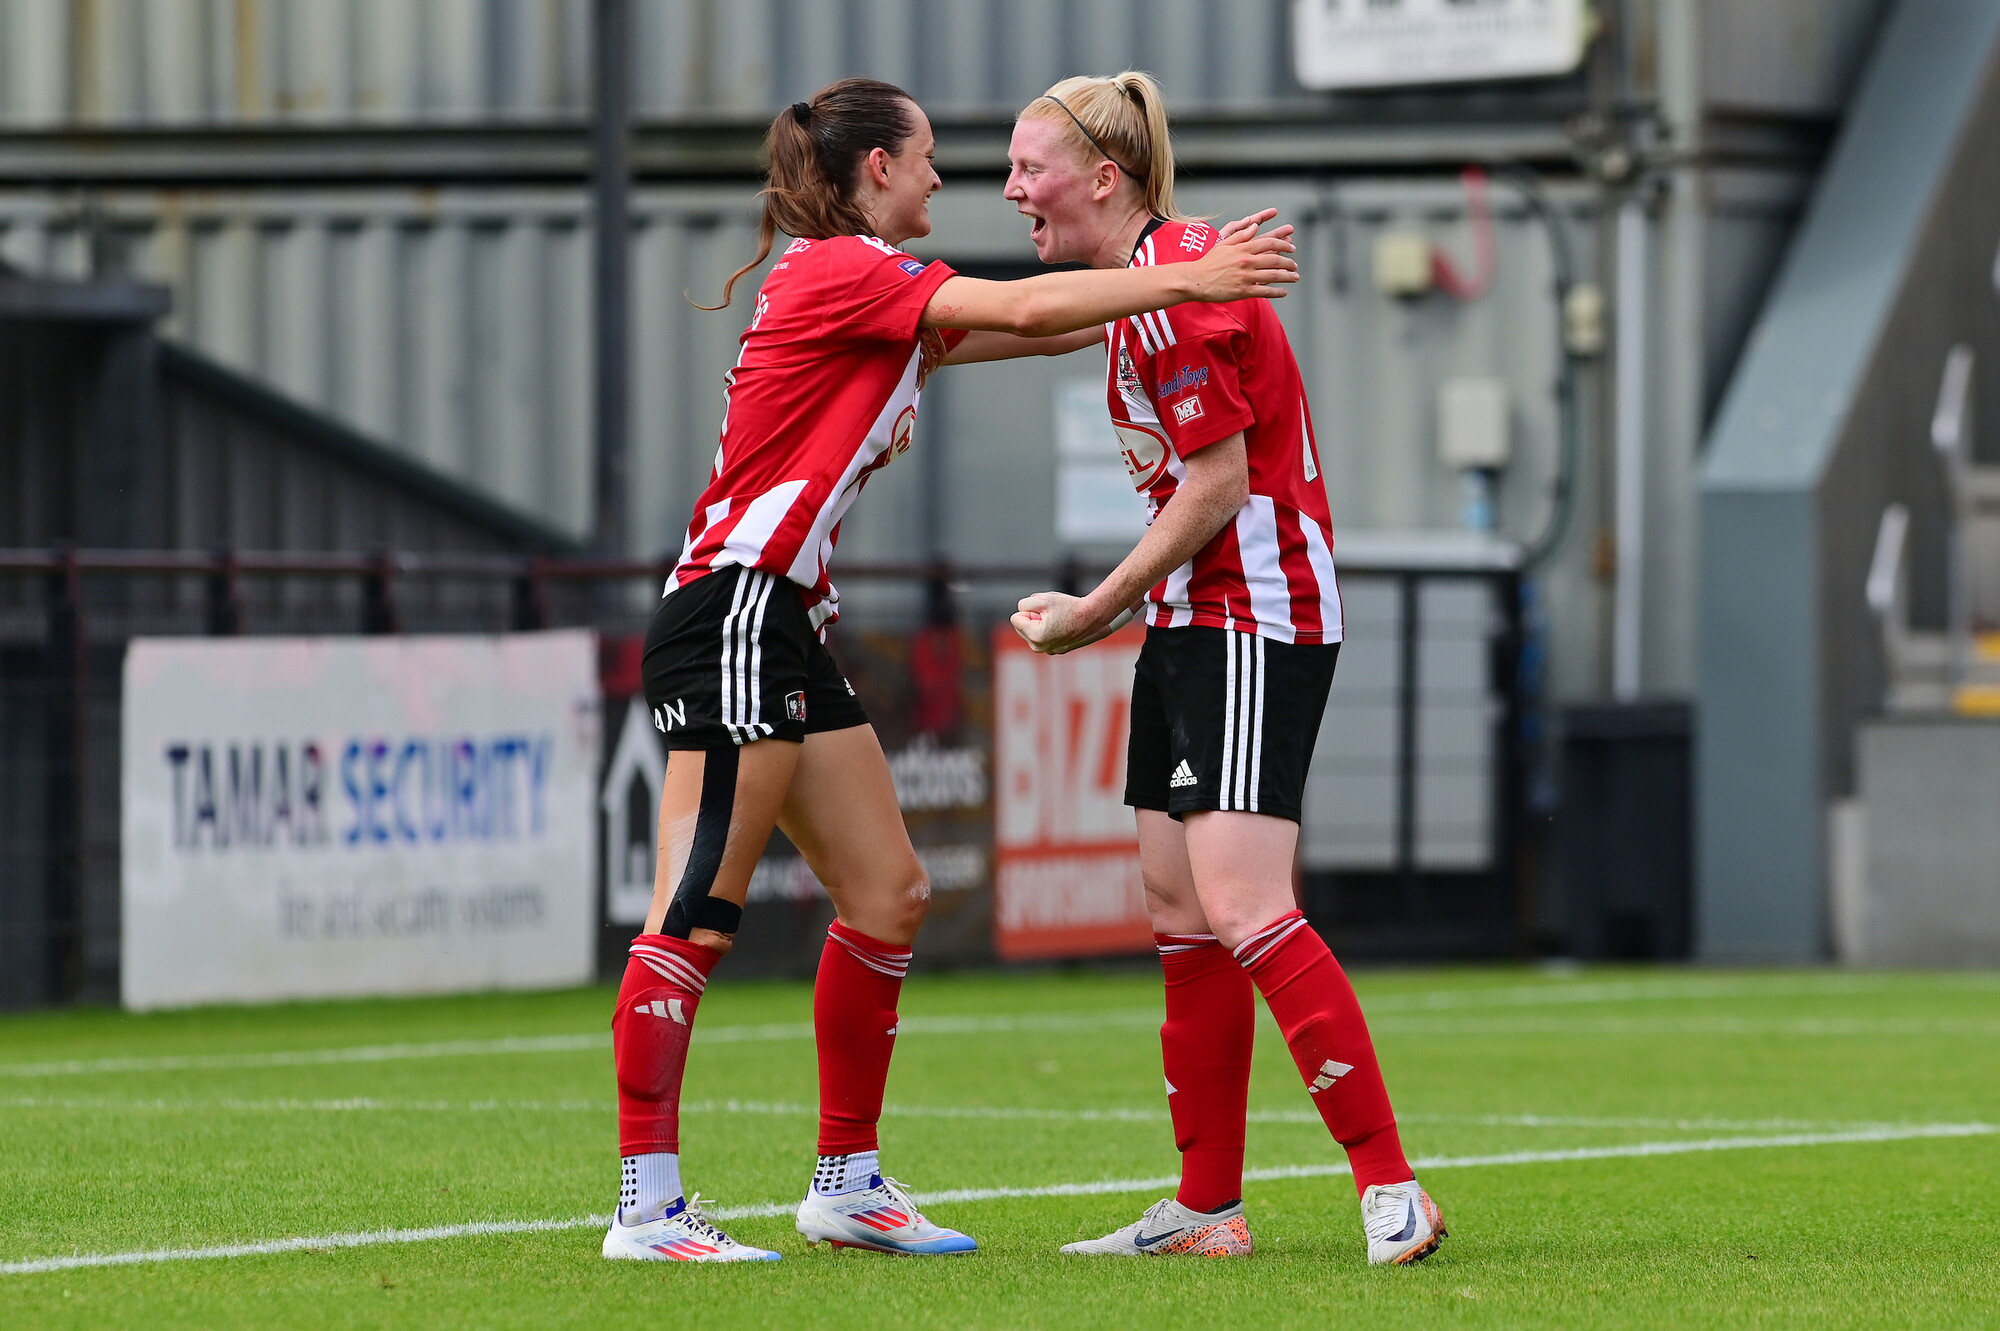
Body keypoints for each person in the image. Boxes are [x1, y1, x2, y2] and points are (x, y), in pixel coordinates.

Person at [603, 75, 1301, 1264]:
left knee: (890, 894)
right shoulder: (843, 268)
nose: (947, 178)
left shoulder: (877, 289)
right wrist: (1191, 275)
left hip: (782, 619)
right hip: (729, 607)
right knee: (694, 908)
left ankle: (845, 1181)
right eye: (927, 156)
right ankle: (647, 1206)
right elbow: (1027, 315)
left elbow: (1060, 315)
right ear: (877, 169)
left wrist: (1170, 281)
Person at [997, 71, 1447, 1266]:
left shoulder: (1176, 302)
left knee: (1245, 904)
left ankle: (1388, 1183)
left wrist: (1092, 610)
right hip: (1198, 617)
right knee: (1177, 908)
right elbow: (1020, 321)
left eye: (1026, 165)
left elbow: (1217, 485)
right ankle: (1204, 1207)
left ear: (1102, 177)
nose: (1009, 188)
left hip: (1251, 612)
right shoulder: (1155, 279)